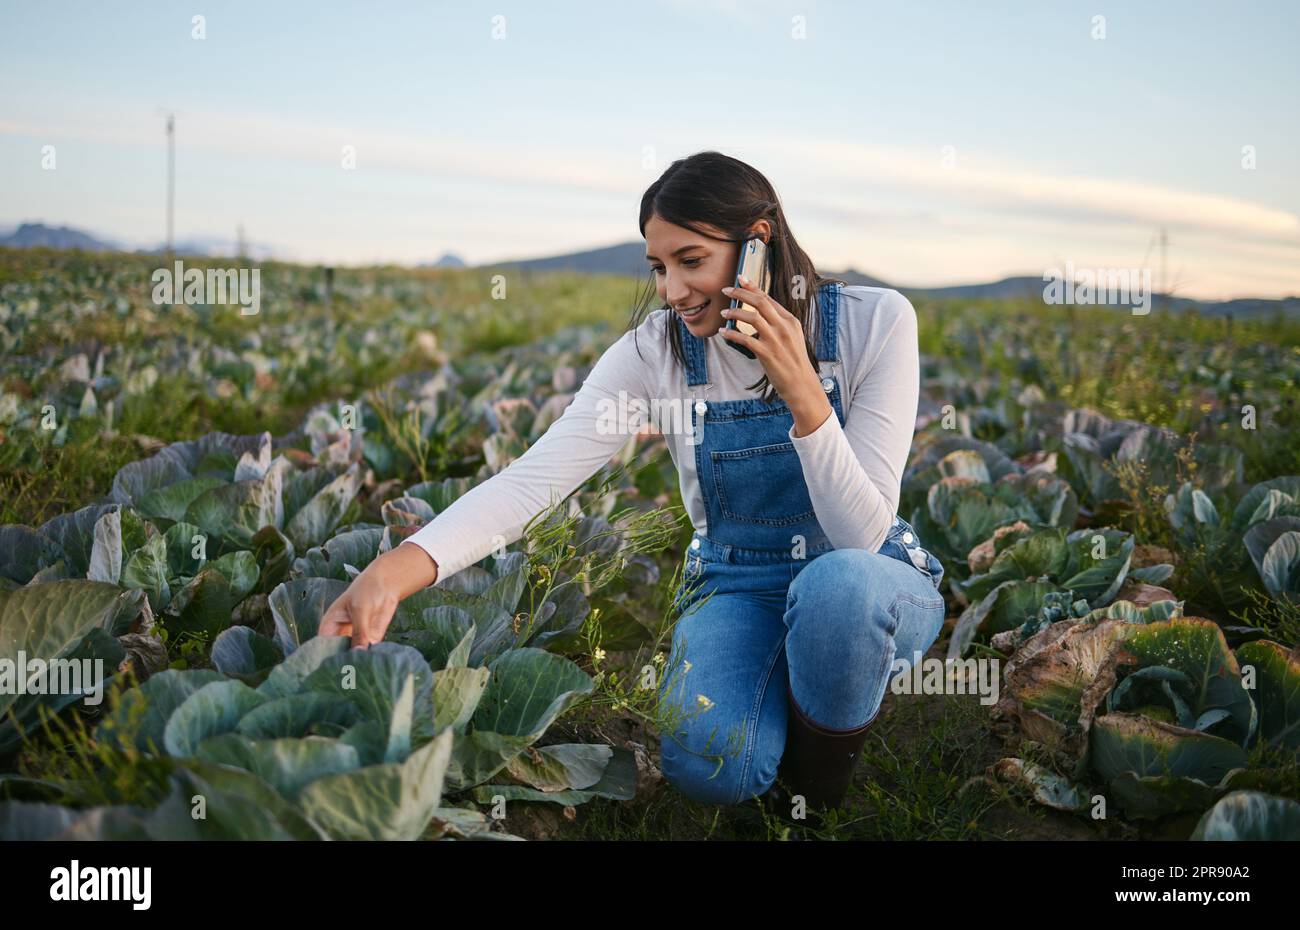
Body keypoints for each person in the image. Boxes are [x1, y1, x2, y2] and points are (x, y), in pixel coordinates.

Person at [319, 150, 947, 813]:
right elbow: (534, 481)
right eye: (659, 266)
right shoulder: (654, 354)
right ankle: (787, 696)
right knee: (711, 764)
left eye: (691, 260)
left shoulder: (875, 323)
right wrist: (392, 573)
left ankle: (817, 796)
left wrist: (804, 396)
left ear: (756, 242)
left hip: (868, 579)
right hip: (738, 581)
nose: (672, 291)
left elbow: (862, 532)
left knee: (836, 588)